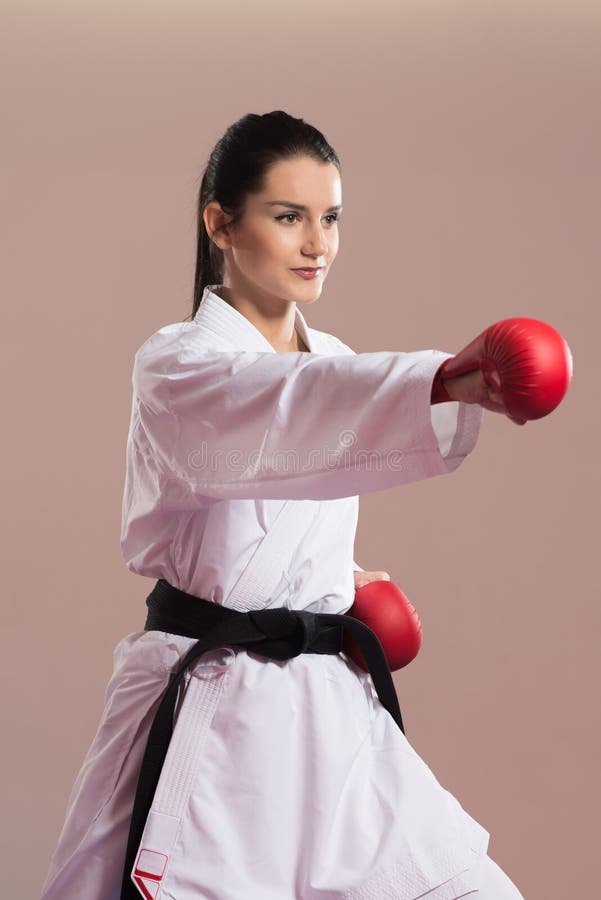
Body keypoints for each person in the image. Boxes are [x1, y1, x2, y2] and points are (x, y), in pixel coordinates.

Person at [40, 110, 525, 899]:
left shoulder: (332, 362)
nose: (317, 243)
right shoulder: (178, 364)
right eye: (289, 216)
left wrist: (339, 584)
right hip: (215, 705)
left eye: (330, 217)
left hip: (328, 713)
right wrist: (440, 381)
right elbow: (271, 417)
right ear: (220, 224)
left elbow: (294, 472)